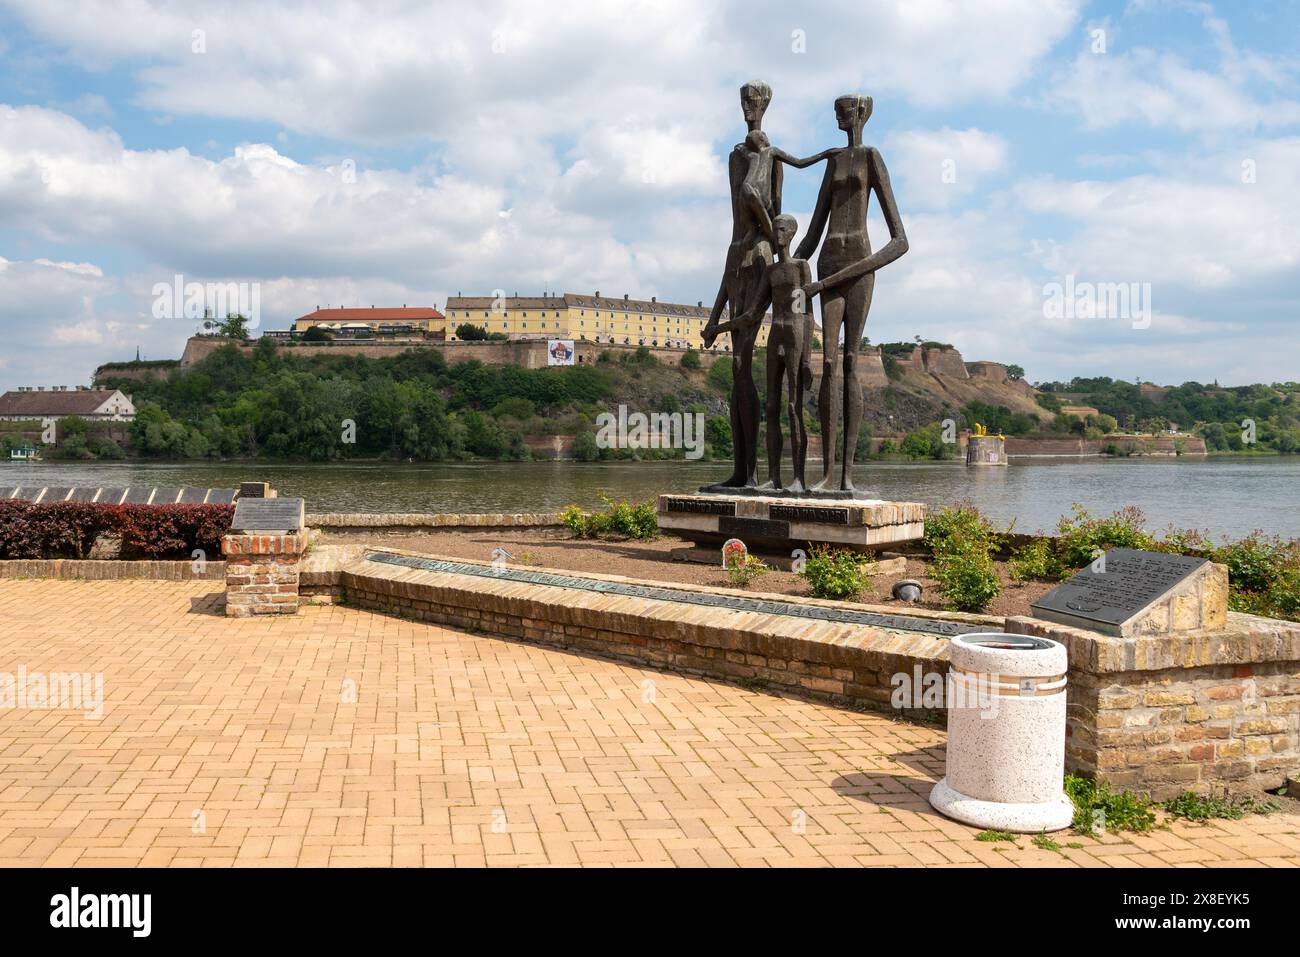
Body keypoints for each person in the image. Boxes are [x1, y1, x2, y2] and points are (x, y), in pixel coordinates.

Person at [797, 94, 909, 493]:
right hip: (828, 263)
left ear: (862, 113)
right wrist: (788, 270)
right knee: (827, 361)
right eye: (836, 111)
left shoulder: (871, 158)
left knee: (850, 364)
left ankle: (847, 476)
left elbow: (900, 241)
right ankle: (827, 474)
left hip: (859, 266)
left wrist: (861, 267)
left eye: (846, 110)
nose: (839, 117)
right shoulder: (833, 163)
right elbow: (812, 232)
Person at [709, 214, 811, 491]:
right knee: (772, 407)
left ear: (791, 233)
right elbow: (752, 313)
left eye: (781, 230)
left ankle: (799, 479)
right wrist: (717, 328)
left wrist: (807, 359)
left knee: (793, 407)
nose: (776, 235)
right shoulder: (771, 273)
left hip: (794, 335)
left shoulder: (801, 268)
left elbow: (806, 312)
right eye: (774, 229)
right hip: (775, 334)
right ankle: (775, 477)